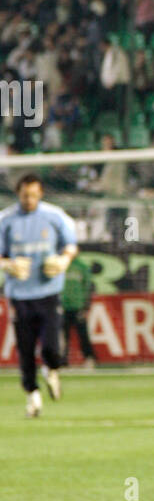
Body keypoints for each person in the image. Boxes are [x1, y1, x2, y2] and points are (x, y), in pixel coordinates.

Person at [0, 175, 78, 417]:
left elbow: (71, 244)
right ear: (18, 193)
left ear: (41, 193)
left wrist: (64, 259)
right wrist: (7, 265)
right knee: (24, 349)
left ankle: (52, 368)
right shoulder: (6, 220)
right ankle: (32, 397)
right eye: (25, 195)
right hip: (20, 295)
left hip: (48, 291)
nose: (29, 199)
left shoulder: (55, 216)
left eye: (34, 195)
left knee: (52, 348)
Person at [61, 253, 97, 370]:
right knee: (62, 336)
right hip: (62, 306)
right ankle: (63, 361)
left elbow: (88, 287)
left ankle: (89, 358)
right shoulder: (60, 266)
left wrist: (86, 306)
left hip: (78, 306)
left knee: (83, 334)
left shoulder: (82, 267)